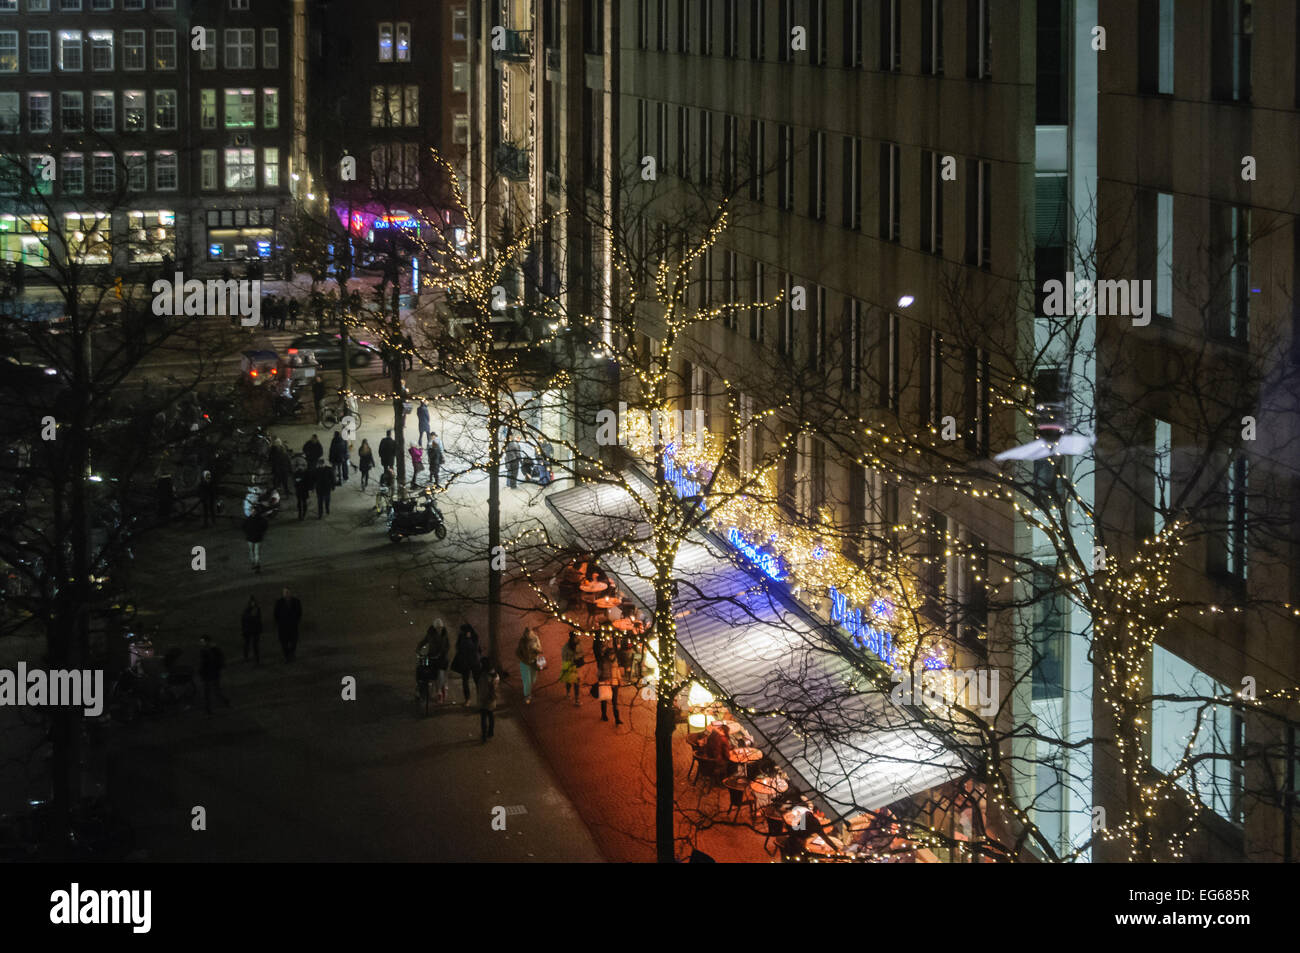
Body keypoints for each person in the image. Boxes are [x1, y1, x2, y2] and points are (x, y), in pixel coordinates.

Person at [418, 618, 451, 704]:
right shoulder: (430, 634)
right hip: (432, 657)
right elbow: (424, 641)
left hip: (442, 659)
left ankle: (440, 692)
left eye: (440, 627)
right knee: (429, 672)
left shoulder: (444, 635)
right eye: (437, 627)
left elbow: (447, 646)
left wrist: (443, 653)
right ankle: (428, 690)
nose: (439, 629)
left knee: (440, 674)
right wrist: (418, 649)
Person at [451, 623, 481, 706]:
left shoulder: (475, 637)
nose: (462, 632)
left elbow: (474, 649)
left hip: (474, 662)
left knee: (477, 681)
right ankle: (467, 699)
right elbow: (458, 647)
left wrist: (467, 640)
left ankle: (480, 699)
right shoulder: (461, 637)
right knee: (465, 681)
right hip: (465, 662)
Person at [198, 636, 230, 714]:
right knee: (211, 691)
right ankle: (210, 707)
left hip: (212, 673)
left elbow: (205, 663)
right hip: (211, 673)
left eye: (203, 642)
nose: (202, 643)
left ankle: (220, 703)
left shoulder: (211, 650)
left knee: (212, 691)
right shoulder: (210, 650)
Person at [596, 640, 622, 726]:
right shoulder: (603, 662)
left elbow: (617, 670)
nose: (612, 656)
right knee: (604, 699)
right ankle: (604, 714)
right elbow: (599, 673)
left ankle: (617, 718)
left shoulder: (615, 661)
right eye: (610, 654)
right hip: (606, 683)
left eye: (613, 654)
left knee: (615, 702)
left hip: (614, 683)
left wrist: (619, 680)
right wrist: (603, 679)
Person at [515, 626, 543, 704]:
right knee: (527, 680)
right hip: (525, 663)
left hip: (534, 662)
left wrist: (535, 649)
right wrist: (522, 658)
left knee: (533, 679)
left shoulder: (535, 639)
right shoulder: (522, 641)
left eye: (529, 633)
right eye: (526, 634)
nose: (528, 635)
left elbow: (540, 649)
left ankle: (528, 691)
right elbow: (517, 652)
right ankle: (527, 695)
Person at [274, 587, 302, 661]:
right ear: (283, 594)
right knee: (284, 643)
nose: (287, 594)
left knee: (294, 641)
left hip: (293, 625)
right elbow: (276, 614)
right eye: (285, 592)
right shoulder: (279, 602)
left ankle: (291, 654)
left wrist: (296, 621)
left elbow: (299, 613)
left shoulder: (296, 601)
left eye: (288, 592)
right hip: (283, 626)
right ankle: (287, 656)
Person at [476, 659, 500, 743]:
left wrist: (480, 700)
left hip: (485, 699)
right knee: (491, 715)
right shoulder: (496, 675)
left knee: (483, 718)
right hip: (492, 698)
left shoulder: (484, 677)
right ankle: (490, 732)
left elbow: (483, 690)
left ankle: (484, 736)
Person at [560, 631, 584, 707]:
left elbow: (582, 653)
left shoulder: (578, 645)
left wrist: (577, 657)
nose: (576, 638)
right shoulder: (566, 647)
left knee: (576, 682)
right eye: (575, 637)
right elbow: (564, 657)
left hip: (576, 666)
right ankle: (569, 693)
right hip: (570, 666)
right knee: (570, 681)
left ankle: (576, 699)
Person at [243, 505, 268, 572]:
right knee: (255, 552)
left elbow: (243, 527)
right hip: (255, 538)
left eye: (253, 511)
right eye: (252, 511)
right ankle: (255, 564)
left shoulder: (249, 519)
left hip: (253, 538)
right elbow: (265, 527)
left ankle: (255, 564)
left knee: (254, 552)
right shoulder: (261, 519)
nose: (252, 512)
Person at [240, 595, 262, 664]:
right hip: (249, 629)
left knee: (251, 644)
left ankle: (252, 658)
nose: (253, 603)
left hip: (251, 629)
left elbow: (258, 620)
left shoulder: (249, 610)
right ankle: (249, 657)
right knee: (249, 644)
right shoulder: (252, 610)